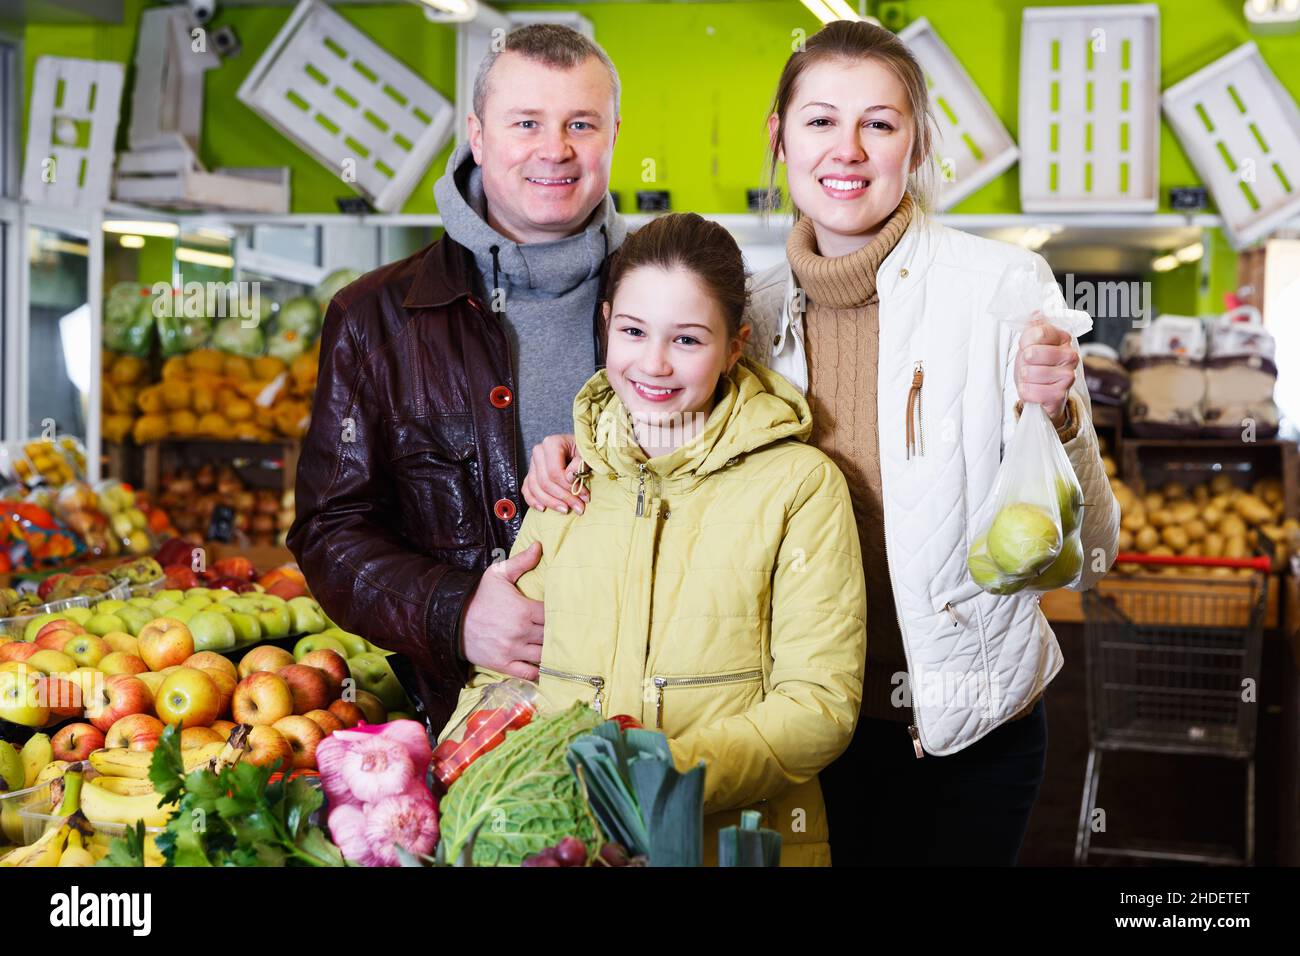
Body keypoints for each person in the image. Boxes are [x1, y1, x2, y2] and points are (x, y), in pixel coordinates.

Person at [523, 20, 1121, 866]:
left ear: (913, 144)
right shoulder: (750, 317)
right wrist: (579, 448)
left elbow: (1092, 550)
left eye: (879, 123)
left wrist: (1058, 418)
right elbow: (672, 446)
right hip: (791, 729)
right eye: (820, 121)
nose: (849, 149)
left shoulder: (1001, 290)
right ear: (780, 136)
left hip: (966, 729)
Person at [443, 213, 867, 866]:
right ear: (606, 323)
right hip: (563, 848)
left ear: (735, 347)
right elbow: (506, 675)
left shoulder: (800, 486)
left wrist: (642, 781)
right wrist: (461, 775)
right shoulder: (566, 480)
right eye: (633, 331)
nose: (654, 364)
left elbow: (819, 707)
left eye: (689, 340)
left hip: (730, 847)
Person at [288, 24, 627, 735]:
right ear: (478, 134)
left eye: (581, 124)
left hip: (658, 715)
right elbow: (330, 529)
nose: (555, 149)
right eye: (526, 122)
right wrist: (456, 608)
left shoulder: (676, 301)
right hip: (461, 726)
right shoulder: (374, 319)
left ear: (615, 134)